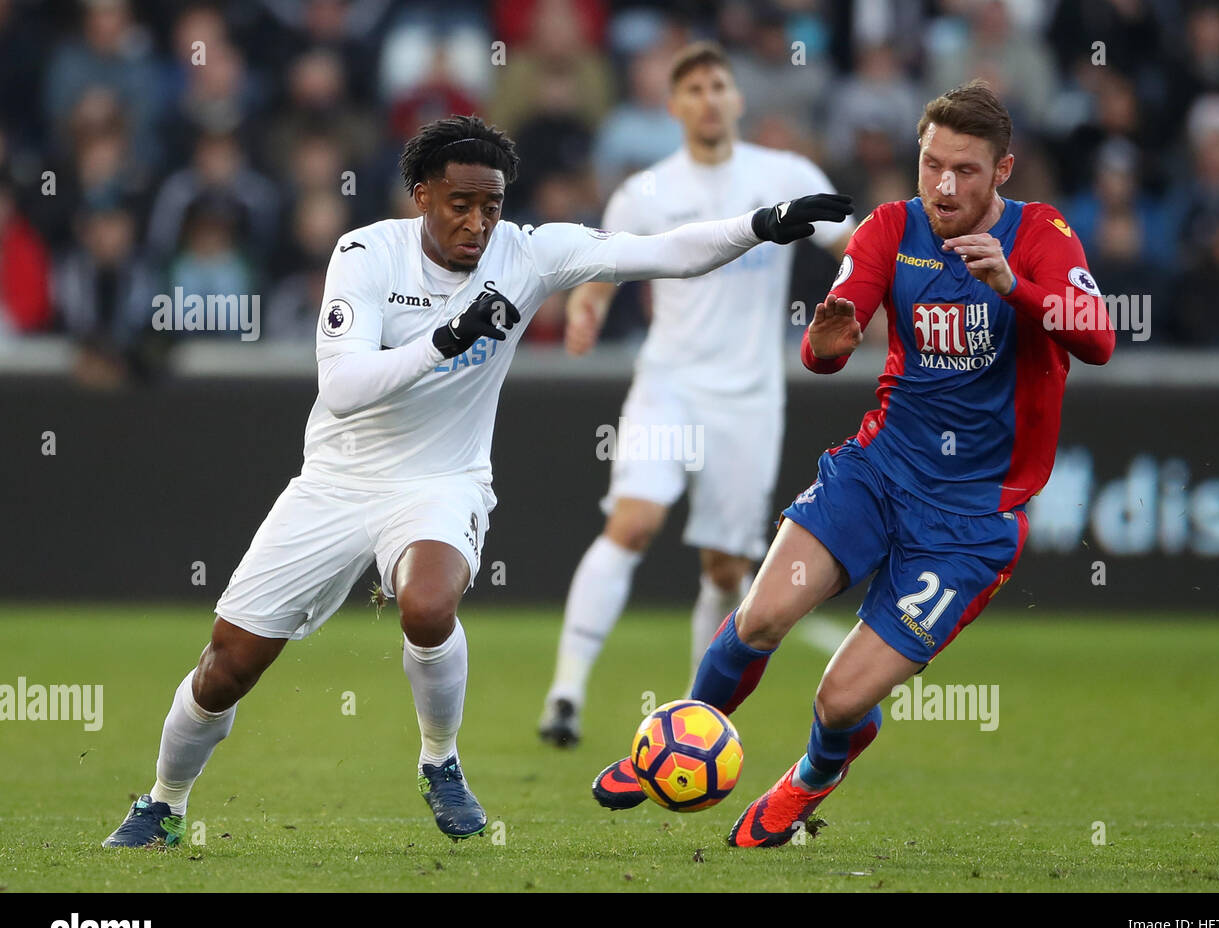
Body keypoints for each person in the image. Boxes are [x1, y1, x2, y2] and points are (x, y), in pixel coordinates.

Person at [101, 113, 851, 847]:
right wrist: (448, 337)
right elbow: (343, 387)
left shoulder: (527, 254)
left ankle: (440, 759)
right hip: (337, 479)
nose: (477, 222)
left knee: (428, 605)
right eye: (460, 204)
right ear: (421, 195)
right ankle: (164, 802)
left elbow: (662, 252)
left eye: (491, 205)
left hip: (443, 478)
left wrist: (762, 223)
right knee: (228, 664)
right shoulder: (365, 253)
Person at [591, 81, 1115, 847]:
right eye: (932, 164)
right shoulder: (890, 228)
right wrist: (825, 343)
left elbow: (1098, 338)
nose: (943, 184)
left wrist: (1016, 286)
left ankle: (811, 776)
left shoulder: (1042, 235)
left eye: (965, 170)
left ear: (1003, 171)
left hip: (971, 520)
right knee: (762, 615)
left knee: (839, 701)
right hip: (877, 473)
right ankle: (678, 739)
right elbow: (826, 346)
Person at [538, 42, 851, 747]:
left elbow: (853, 248)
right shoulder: (644, 192)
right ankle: (565, 693)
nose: (708, 99)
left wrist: (864, 304)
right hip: (669, 384)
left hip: (749, 397)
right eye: (694, 90)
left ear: (737, 98)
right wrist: (585, 309)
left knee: (727, 567)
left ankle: (693, 715)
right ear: (673, 106)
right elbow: (600, 269)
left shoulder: (787, 174)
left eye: (718, 86)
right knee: (633, 523)